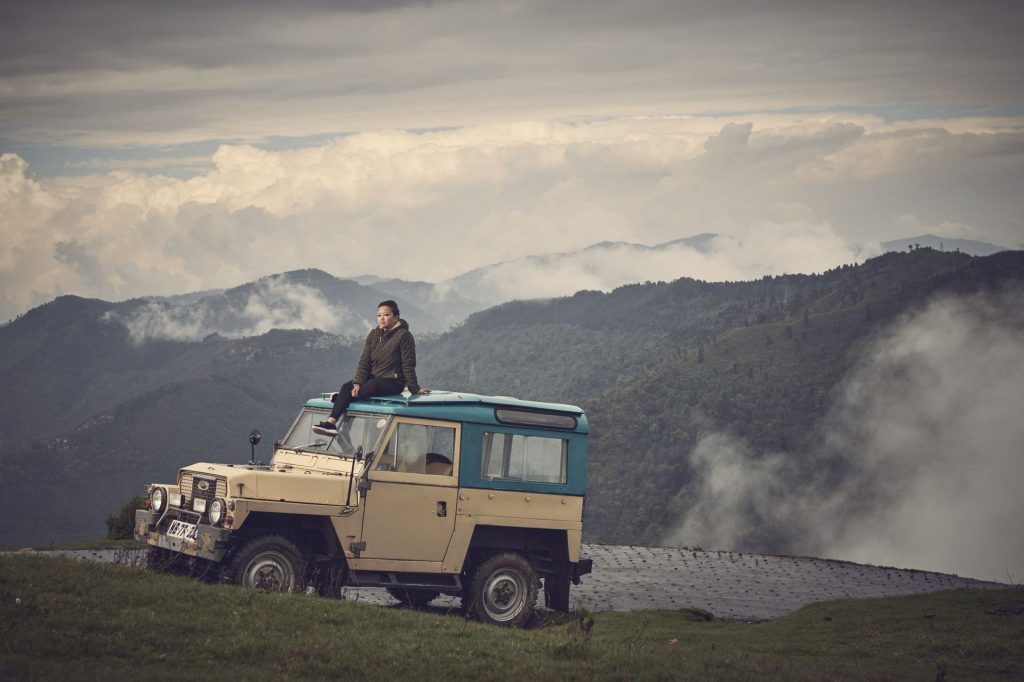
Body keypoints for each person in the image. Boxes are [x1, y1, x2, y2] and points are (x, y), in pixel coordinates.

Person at [313, 300, 428, 436]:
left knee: (370, 387)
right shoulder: (374, 334)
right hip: (373, 377)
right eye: (379, 315)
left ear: (396, 317)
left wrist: (414, 388)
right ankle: (331, 423)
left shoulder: (404, 336)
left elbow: (408, 364)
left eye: (386, 315)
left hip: (393, 382)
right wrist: (357, 383)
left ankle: (343, 399)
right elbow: (364, 361)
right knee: (346, 387)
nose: (382, 318)